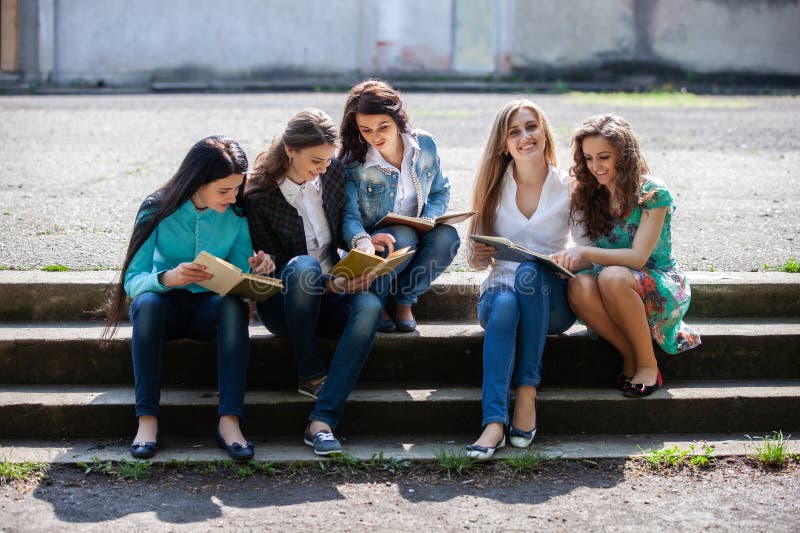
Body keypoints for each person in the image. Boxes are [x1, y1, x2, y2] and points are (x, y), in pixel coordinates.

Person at [104, 136, 269, 461]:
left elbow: (237, 271)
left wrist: (255, 270)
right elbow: (132, 280)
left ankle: (229, 422)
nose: (234, 196)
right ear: (198, 182)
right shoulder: (156, 209)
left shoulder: (236, 214)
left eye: (237, 188)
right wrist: (168, 277)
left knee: (234, 306)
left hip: (210, 311)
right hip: (164, 310)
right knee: (148, 303)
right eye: (224, 190)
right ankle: (147, 420)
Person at [245, 109, 382, 456]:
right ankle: (310, 373)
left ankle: (322, 420)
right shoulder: (259, 194)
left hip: (332, 293)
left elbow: (348, 219)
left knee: (369, 306)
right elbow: (275, 273)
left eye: (327, 160)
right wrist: (265, 264)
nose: (323, 168)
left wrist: (360, 246)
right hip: (286, 302)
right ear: (290, 150)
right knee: (303, 268)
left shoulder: (334, 173)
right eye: (315, 161)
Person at [465, 100, 588, 460]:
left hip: (550, 303)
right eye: (514, 132)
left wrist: (571, 258)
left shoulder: (569, 187)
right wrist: (476, 256)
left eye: (531, 127)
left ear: (544, 131)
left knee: (531, 273)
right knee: (503, 304)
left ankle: (527, 394)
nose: (524, 137)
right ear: (504, 144)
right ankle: (493, 423)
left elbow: (585, 247)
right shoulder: (493, 186)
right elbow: (474, 256)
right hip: (500, 293)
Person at [552, 114, 701, 398]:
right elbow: (594, 258)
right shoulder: (590, 194)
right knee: (578, 284)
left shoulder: (653, 192)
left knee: (613, 276)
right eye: (589, 158)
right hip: (615, 280)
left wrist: (584, 251)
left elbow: (637, 258)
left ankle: (648, 364)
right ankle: (630, 356)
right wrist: (563, 260)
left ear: (624, 153)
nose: (596, 167)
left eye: (604, 157)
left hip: (658, 281)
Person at [339, 79, 460, 332]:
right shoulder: (354, 163)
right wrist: (363, 241)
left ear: (398, 119)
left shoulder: (425, 145)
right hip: (379, 242)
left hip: (420, 231)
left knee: (448, 237)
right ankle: (379, 303)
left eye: (383, 126)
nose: (375, 137)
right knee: (401, 237)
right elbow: (349, 215)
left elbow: (440, 190)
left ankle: (404, 300)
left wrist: (430, 216)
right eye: (366, 130)